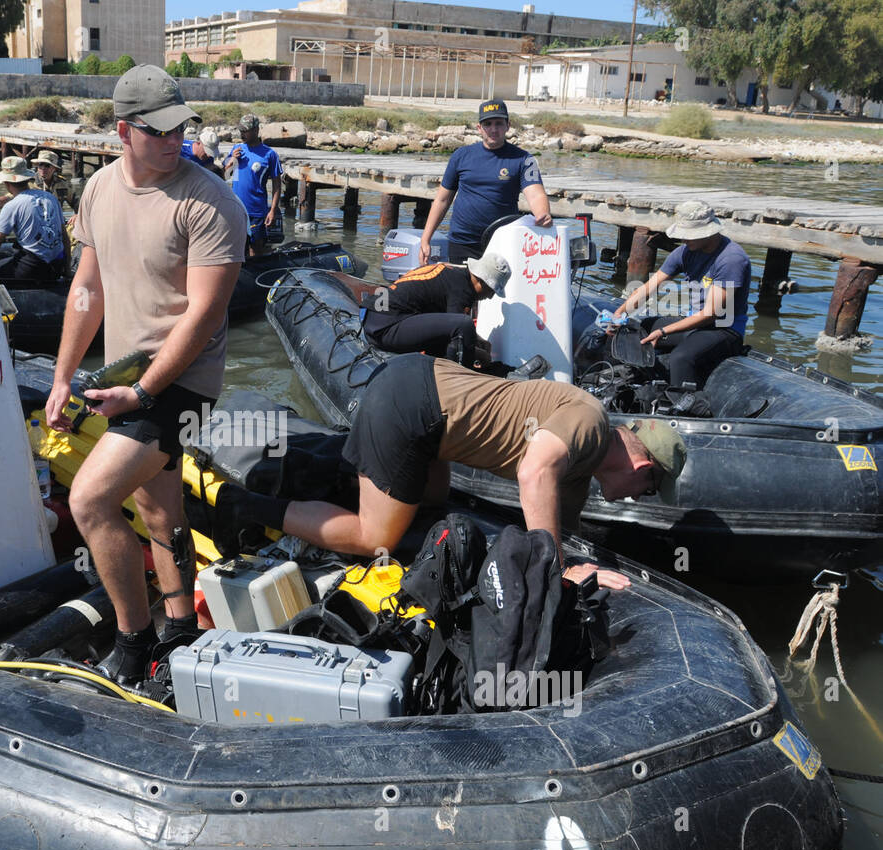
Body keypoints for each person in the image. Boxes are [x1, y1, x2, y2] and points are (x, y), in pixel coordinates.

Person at [44, 65, 245, 684]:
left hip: (181, 381)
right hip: (126, 372)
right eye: (158, 132)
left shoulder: (212, 202)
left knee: (90, 498)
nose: (174, 141)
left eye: (181, 128)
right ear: (122, 132)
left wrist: (143, 390)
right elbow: (87, 288)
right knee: (160, 512)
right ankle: (181, 627)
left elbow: (206, 313)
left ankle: (134, 644)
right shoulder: (99, 190)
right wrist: (61, 378)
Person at [216, 354, 688, 591]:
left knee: (434, 508)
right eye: (646, 490)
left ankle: (345, 485)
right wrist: (556, 569)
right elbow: (532, 473)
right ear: (643, 465)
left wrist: (581, 560)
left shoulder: (580, 466)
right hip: (412, 408)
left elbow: (560, 524)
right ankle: (246, 506)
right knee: (373, 537)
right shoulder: (589, 422)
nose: (635, 499)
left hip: (422, 391)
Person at [613, 201, 750, 389]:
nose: (684, 240)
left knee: (681, 358)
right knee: (641, 328)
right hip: (694, 321)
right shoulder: (684, 252)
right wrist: (620, 314)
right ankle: (638, 385)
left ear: (708, 232)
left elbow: (711, 313)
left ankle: (682, 406)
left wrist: (663, 332)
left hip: (724, 329)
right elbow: (648, 287)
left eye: (689, 236)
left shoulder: (731, 259)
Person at [419, 99, 552, 266]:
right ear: (479, 128)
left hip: (503, 241)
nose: (493, 129)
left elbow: (535, 194)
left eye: (499, 123)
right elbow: (442, 200)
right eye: (488, 124)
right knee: (463, 292)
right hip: (463, 242)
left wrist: (542, 214)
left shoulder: (523, 159)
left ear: (508, 125)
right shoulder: (461, 155)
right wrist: (426, 238)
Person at [337, 252, 510, 364]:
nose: (490, 296)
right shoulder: (462, 290)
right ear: (480, 280)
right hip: (386, 328)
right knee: (464, 325)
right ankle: (463, 381)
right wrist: (482, 357)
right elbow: (459, 330)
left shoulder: (452, 274)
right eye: (490, 290)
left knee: (458, 328)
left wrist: (477, 340)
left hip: (375, 320)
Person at [0, 156, 66, 283]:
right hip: (57, 265)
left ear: (6, 183)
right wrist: (67, 271)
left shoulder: (11, 206)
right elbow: (65, 238)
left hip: (33, 268)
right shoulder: (51, 198)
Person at [223, 114, 281, 256]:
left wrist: (272, 210)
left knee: (255, 250)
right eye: (241, 130)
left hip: (256, 211)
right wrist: (231, 161)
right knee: (235, 249)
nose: (242, 134)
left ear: (256, 130)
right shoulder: (237, 149)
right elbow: (225, 176)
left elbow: (277, 185)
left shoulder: (270, 154)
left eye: (246, 130)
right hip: (236, 209)